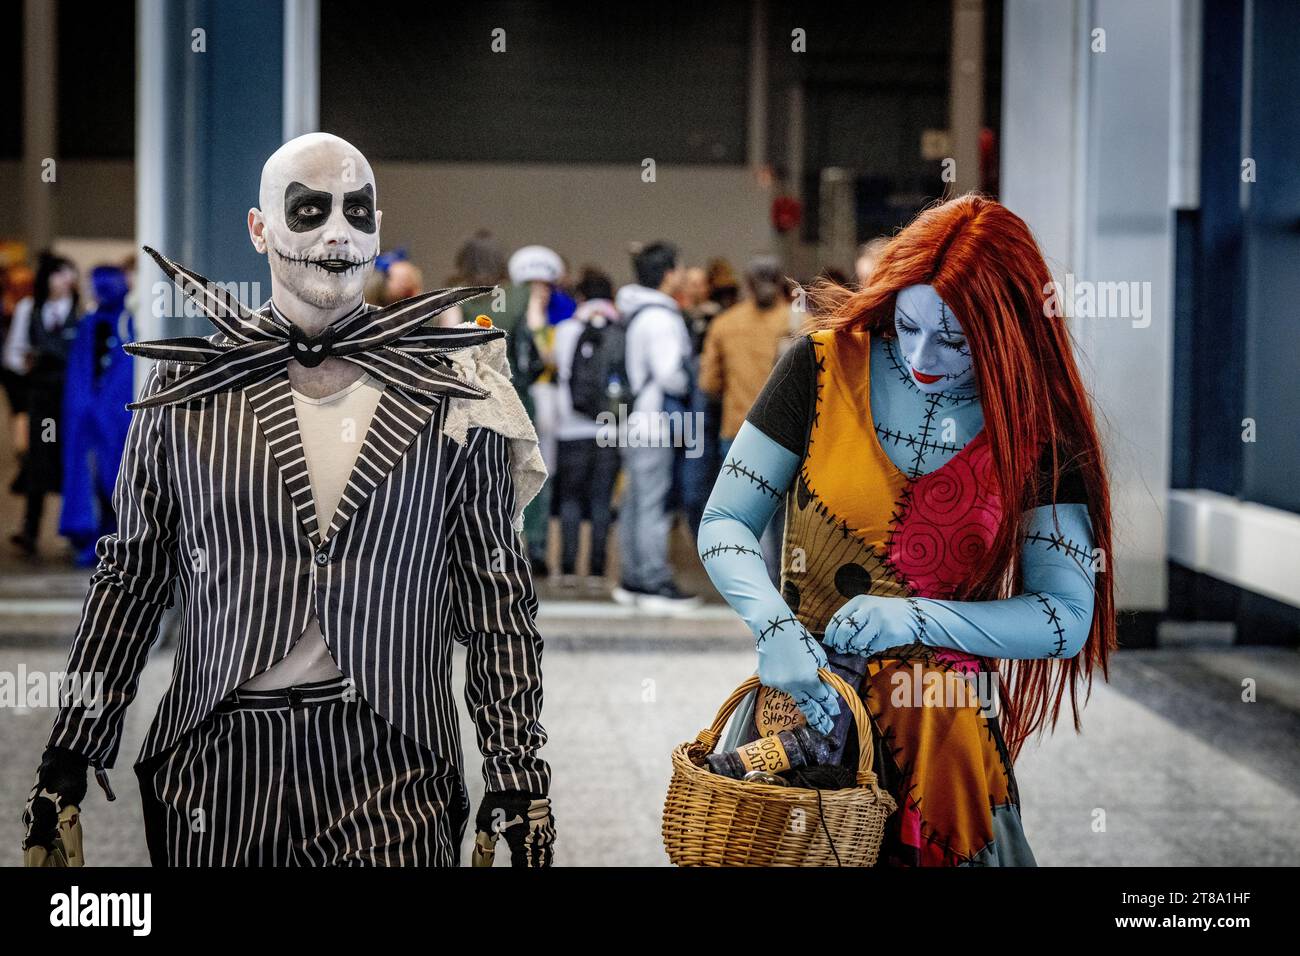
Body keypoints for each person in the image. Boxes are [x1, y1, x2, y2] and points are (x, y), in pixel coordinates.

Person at [22, 133, 555, 867]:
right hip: (217, 764)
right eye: (309, 210)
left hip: (392, 759)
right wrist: (69, 755)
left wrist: (516, 774)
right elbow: (130, 581)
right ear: (260, 227)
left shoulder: (454, 397)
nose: (337, 232)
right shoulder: (187, 396)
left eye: (357, 211)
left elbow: (496, 597)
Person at [698, 195, 1115, 866]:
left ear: (1010, 331)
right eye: (910, 324)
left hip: (946, 750)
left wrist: (919, 618)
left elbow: (1065, 616)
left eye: (956, 341)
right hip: (803, 716)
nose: (923, 356)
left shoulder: (1036, 425)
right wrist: (772, 628)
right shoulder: (822, 366)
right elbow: (725, 521)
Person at [613, 241, 699, 611]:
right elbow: (670, 376)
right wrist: (689, 377)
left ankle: (633, 578)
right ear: (667, 275)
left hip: (633, 422)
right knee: (652, 505)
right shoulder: (662, 318)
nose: (683, 275)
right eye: (680, 268)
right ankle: (653, 581)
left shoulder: (636, 314)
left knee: (634, 503)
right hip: (655, 425)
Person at [698, 255, 794, 584]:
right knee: (789, 518)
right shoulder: (801, 324)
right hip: (791, 435)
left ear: (748, 284)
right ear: (782, 280)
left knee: (748, 517)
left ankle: (754, 585)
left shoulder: (724, 325)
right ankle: (784, 584)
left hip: (738, 432)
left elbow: (708, 384)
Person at [3, 252, 80, 557]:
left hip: (71, 400)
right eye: (60, 274)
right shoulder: (29, 309)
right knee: (42, 455)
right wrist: (30, 363)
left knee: (69, 459)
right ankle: (30, 529)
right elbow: (13, 354)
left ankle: (73, 531)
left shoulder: (81, 311)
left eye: (69, 274)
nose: (67, 280)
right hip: (45, 403)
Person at [59, 265, 136, 566]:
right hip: (92, 417)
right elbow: (80, 372)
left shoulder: (127, 322)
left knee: (115, 476)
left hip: (114, 417)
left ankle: (113, 536)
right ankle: (94, 537)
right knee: (91, 476)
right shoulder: (91, 324)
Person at [552, 268, 621, 590]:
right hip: (610, 427)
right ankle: (596, 571)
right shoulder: (620, 330)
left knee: (569, 498)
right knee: (601, 500)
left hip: (570, 428)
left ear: (579, 297)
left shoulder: (565, 330)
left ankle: (566, 569)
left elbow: (554, 368)